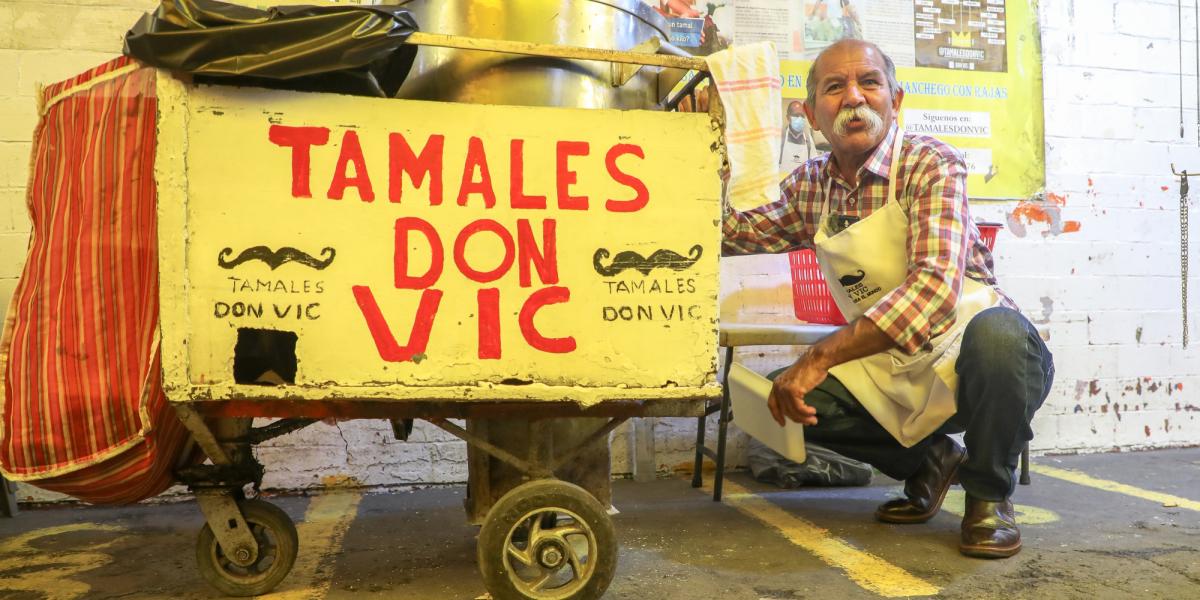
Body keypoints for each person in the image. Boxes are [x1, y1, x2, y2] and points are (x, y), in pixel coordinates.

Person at [722, 39, 1054, 559]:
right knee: (774, 401)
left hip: (972, 356)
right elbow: (736, 234)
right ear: (811, 114)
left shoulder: (929, 164)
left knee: (1000, 337)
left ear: (894, 101)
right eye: (834, 88)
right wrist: (706, 165)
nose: (853, 97)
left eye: (869, 83)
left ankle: (989, 496)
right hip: (892, 364)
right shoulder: (811, 186)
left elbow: (932, 291)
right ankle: (929, 461)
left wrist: (818, 356)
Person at [780, 100, 817, 172]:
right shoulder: (781, 138)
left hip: (801, 182)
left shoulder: (808, 139)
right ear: (788, 118)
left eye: (802, 116)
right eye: (796, 115)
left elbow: (814, 165)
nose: (800, 118)